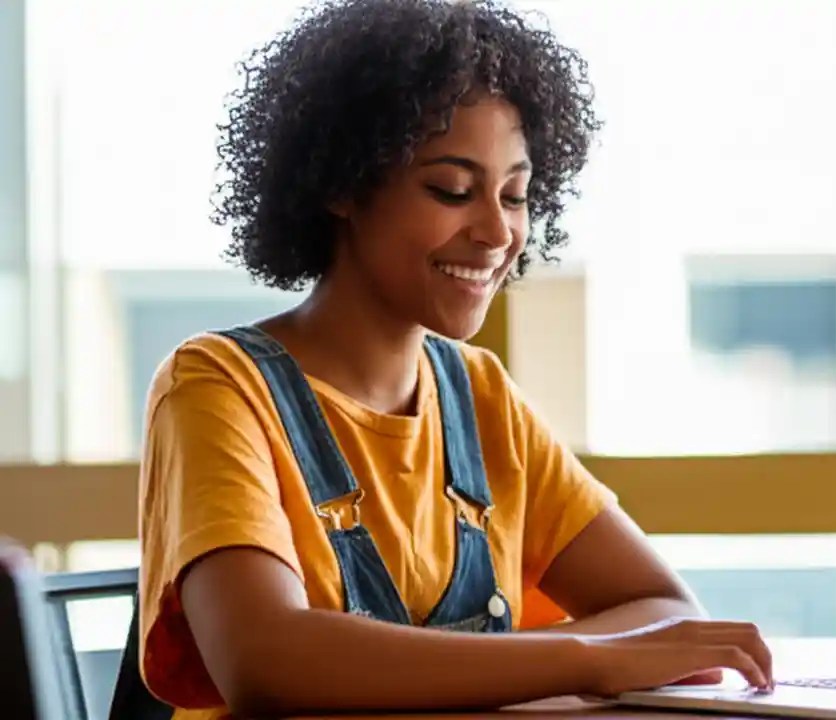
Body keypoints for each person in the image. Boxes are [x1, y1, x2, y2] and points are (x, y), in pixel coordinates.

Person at [135, 1, 772, 718]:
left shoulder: (480, 395)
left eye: (515, 195)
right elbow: (265, 658)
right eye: (452, 190)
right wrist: (582, 659)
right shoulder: (219, 388)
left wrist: (588, 657)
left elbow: (660, 608)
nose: (499, 232)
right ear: (343, 184)